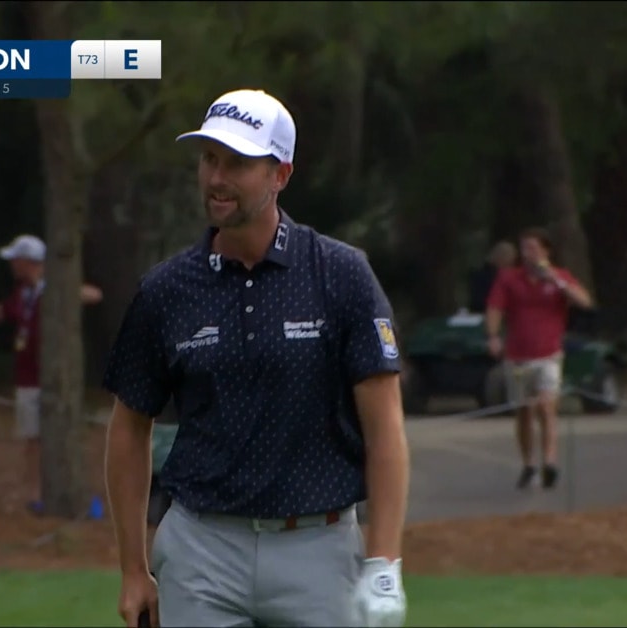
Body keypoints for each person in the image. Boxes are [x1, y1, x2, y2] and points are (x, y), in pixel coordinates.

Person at [103, 88, 410, 628]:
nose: (217, 178)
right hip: (200, 550)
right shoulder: (167, 290)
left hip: (317, 549)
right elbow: (129, 427)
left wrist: (384, 562)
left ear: (280, 175)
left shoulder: (340, 275)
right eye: (209, 159)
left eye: (238, 163)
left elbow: (385, 428)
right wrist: (133, 567)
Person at [0, 234, 102, 514]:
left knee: (53, 435)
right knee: (31, 438)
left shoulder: (50, 289)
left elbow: (93, 294)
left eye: (15, 261)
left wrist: (63, 289)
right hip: (26, 376)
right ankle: (35, 493)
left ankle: (57, 489)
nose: (12, 266)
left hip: (51, 378)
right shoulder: (21, 294)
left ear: (30, 263)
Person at [485, 227, 593, 490]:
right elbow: (495, 308)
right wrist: (493, 335)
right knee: (524, 411)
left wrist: (556, 280)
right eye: (524, 248)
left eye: (533, 248)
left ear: (545, 251)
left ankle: (550, 461)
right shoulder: (509, 279)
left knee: (546, 407)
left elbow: (585, 302)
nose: (528, 253)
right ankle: (529, 463)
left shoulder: (558, 278)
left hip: (549, 354)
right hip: (518, 355)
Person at [467, 241, 517, 313]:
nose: (511, 258)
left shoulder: (516, 275)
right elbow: (479, 302)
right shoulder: (481, 276)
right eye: (505, 254)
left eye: (512, 254)